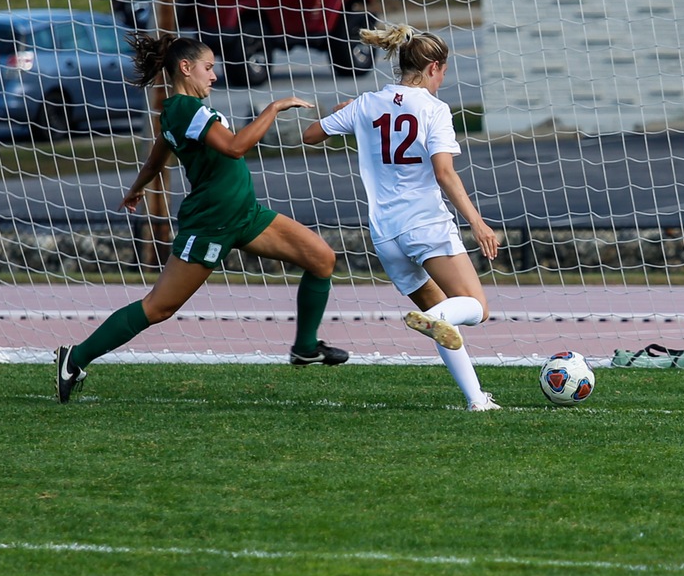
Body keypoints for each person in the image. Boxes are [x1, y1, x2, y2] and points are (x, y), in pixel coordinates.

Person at [54, 33, 346, 402]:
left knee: (321, 259)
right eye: (208, 68)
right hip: (212, 223)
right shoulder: (185, 110)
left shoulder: (180, 110)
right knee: (159, 307)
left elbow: (158, 156)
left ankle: (304, 348)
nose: (214, 75)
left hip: (244, 214)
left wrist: (137, 188)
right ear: (185, 67)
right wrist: (273, 108)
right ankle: (74, 359)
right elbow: (236, 148)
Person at [301, 24, 502, 411]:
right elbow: (444, 172)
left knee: (441, 321)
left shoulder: (366, 103)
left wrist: (344, 112)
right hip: (425, 223)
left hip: (385, 234)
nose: (442, 81)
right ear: (432, 68)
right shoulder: (434, 109)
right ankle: (437, 318)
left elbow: (310, 135)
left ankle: (477, 399)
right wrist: (477, 222)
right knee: (476, 307)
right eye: (443, 72)